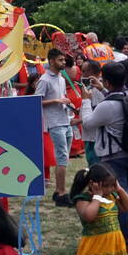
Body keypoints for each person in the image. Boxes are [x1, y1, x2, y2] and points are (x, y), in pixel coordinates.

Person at [80, 62, 128, 242]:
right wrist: (103, 90)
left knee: (119, 197)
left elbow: (88, 123)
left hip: (113, 157)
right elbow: (117, 102)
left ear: (106, 81)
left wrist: (85, 100)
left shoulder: (106, 106)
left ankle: (126, 238)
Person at [34, 47, 74, 206]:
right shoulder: (44, 80)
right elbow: (36, 101)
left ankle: (59, 191)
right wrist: (57, 101)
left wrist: (65, 101)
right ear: (51, 61)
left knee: (64, 158)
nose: (63, 62)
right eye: (60, 60)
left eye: (64, 60)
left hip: (65, 119)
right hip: (54, 122)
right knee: (62, 157)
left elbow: (60, 96)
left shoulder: (62, 78)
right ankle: (62, 192)